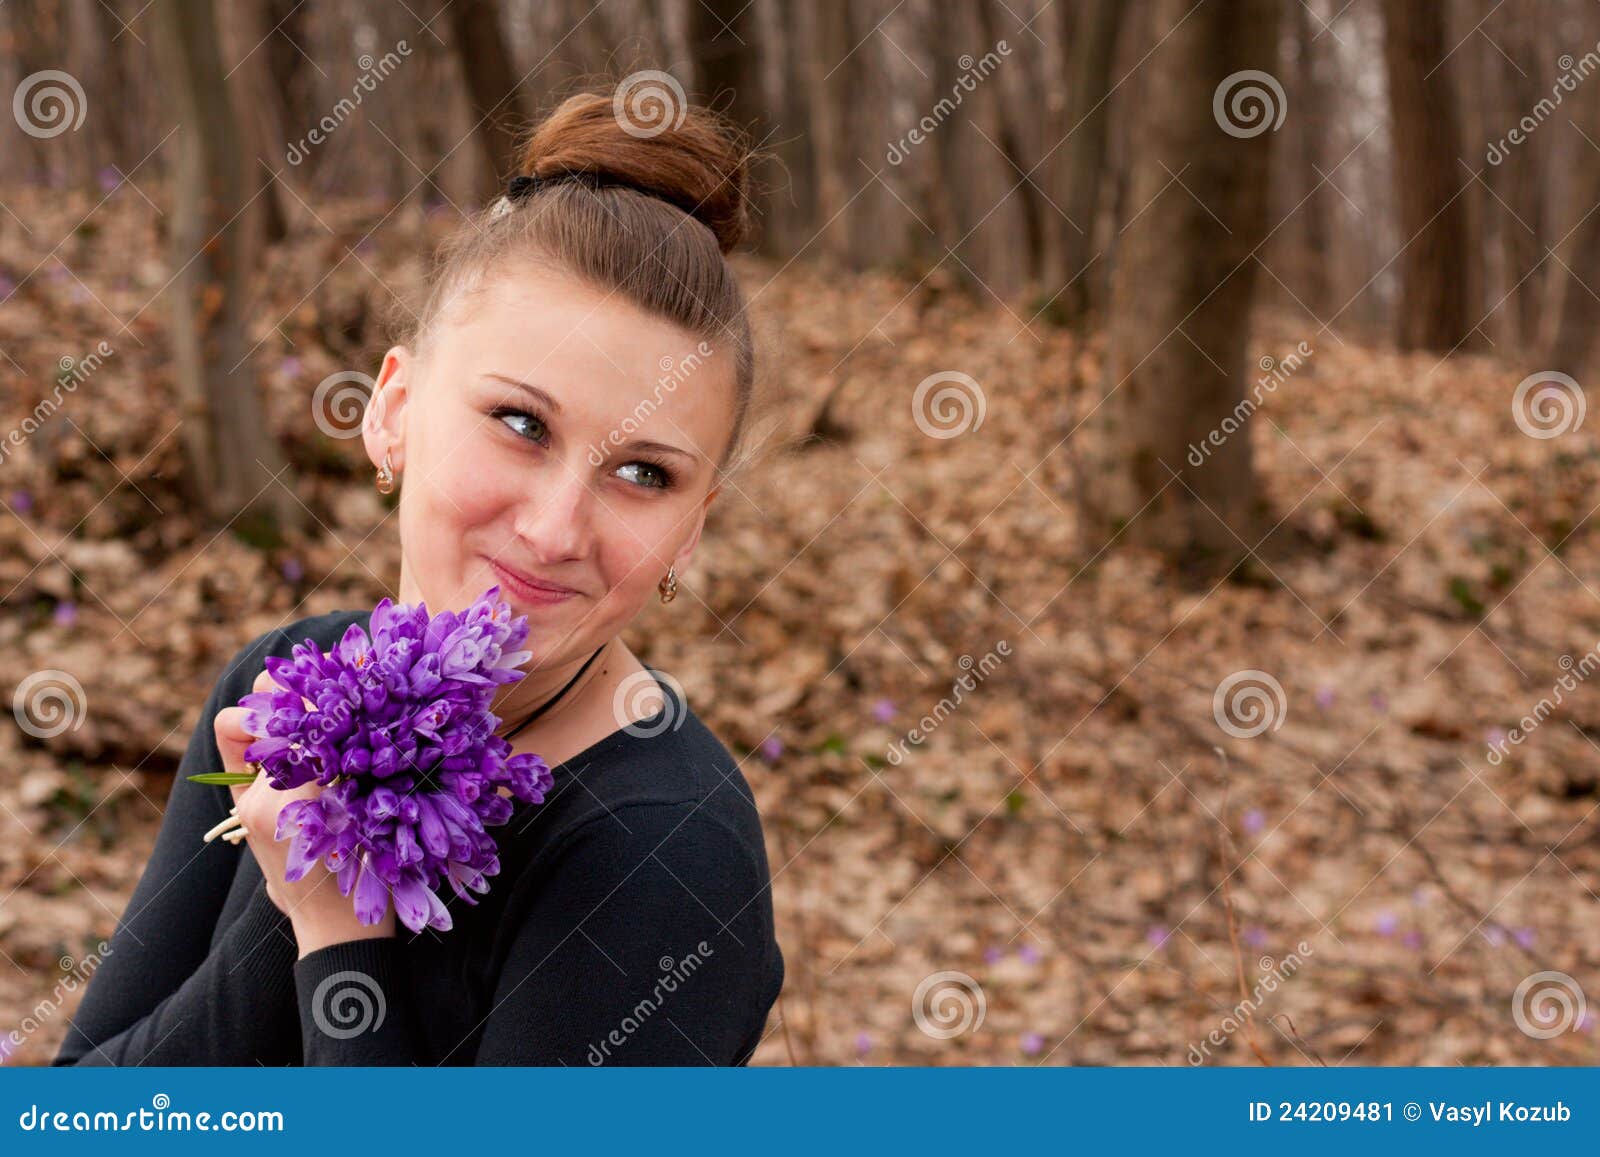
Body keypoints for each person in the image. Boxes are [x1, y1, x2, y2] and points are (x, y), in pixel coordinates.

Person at [53, 89, 784, 1066]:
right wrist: (301, 867)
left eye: (643, 473)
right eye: (521, 423)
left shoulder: (666, 850)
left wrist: (337, 922)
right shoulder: (277, 683)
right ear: (392, 409)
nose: (553, 526)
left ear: (693, 529)